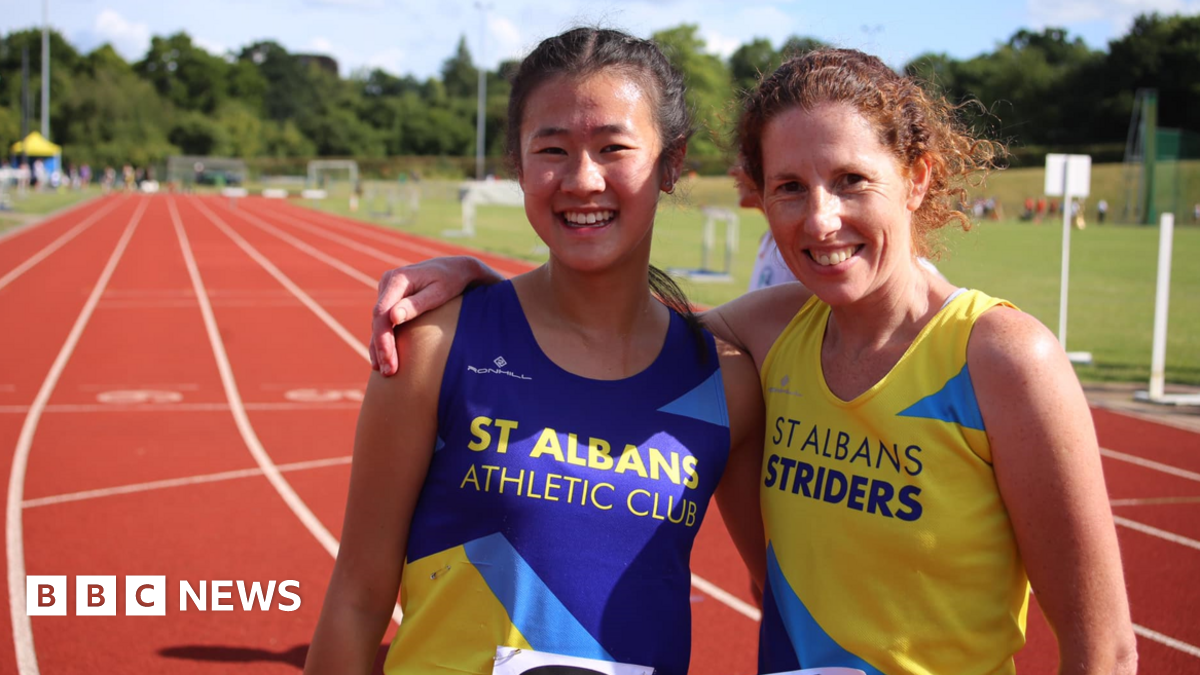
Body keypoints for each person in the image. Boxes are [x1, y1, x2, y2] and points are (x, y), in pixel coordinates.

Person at [369, 47, 1137, 674]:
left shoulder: (1005, 359)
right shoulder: (769, 334)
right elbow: (610, 336)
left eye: (852, 181)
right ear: (758, 198)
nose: (822, 218)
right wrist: (481, 286)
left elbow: (1103, 648)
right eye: (790, 188)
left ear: (919, 176)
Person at [304, 28, 765, 675]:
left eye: (613, 148)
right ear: (518, 164)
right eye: (552, 149)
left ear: (672, 162)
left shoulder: (726, 382)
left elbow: (780, 590)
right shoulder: (435, 347)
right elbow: (357, 597)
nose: (581, 180)